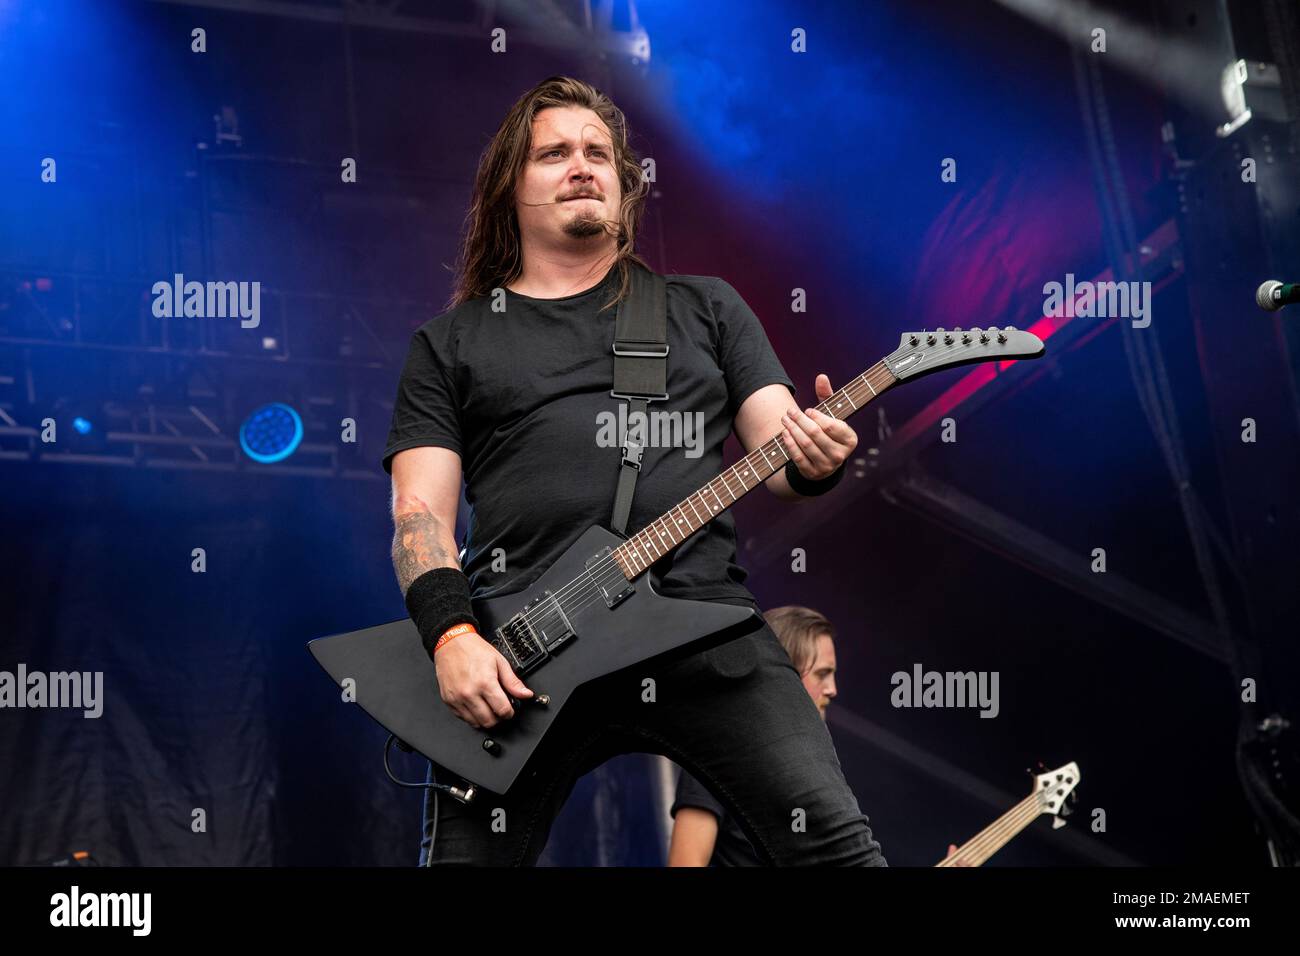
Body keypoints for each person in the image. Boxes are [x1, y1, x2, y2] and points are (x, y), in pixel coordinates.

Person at [383, 75, 885, 866]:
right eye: (554, 154)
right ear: (511, 190)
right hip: (522, 650)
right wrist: (451, 637)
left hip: (700, 623)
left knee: (833, 845)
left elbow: (779, 455)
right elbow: (418, 517)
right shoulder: (451, 345)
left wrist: (815, 460)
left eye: (598, 154)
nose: (582, 165)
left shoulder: (705, 308)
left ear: (623, 184)